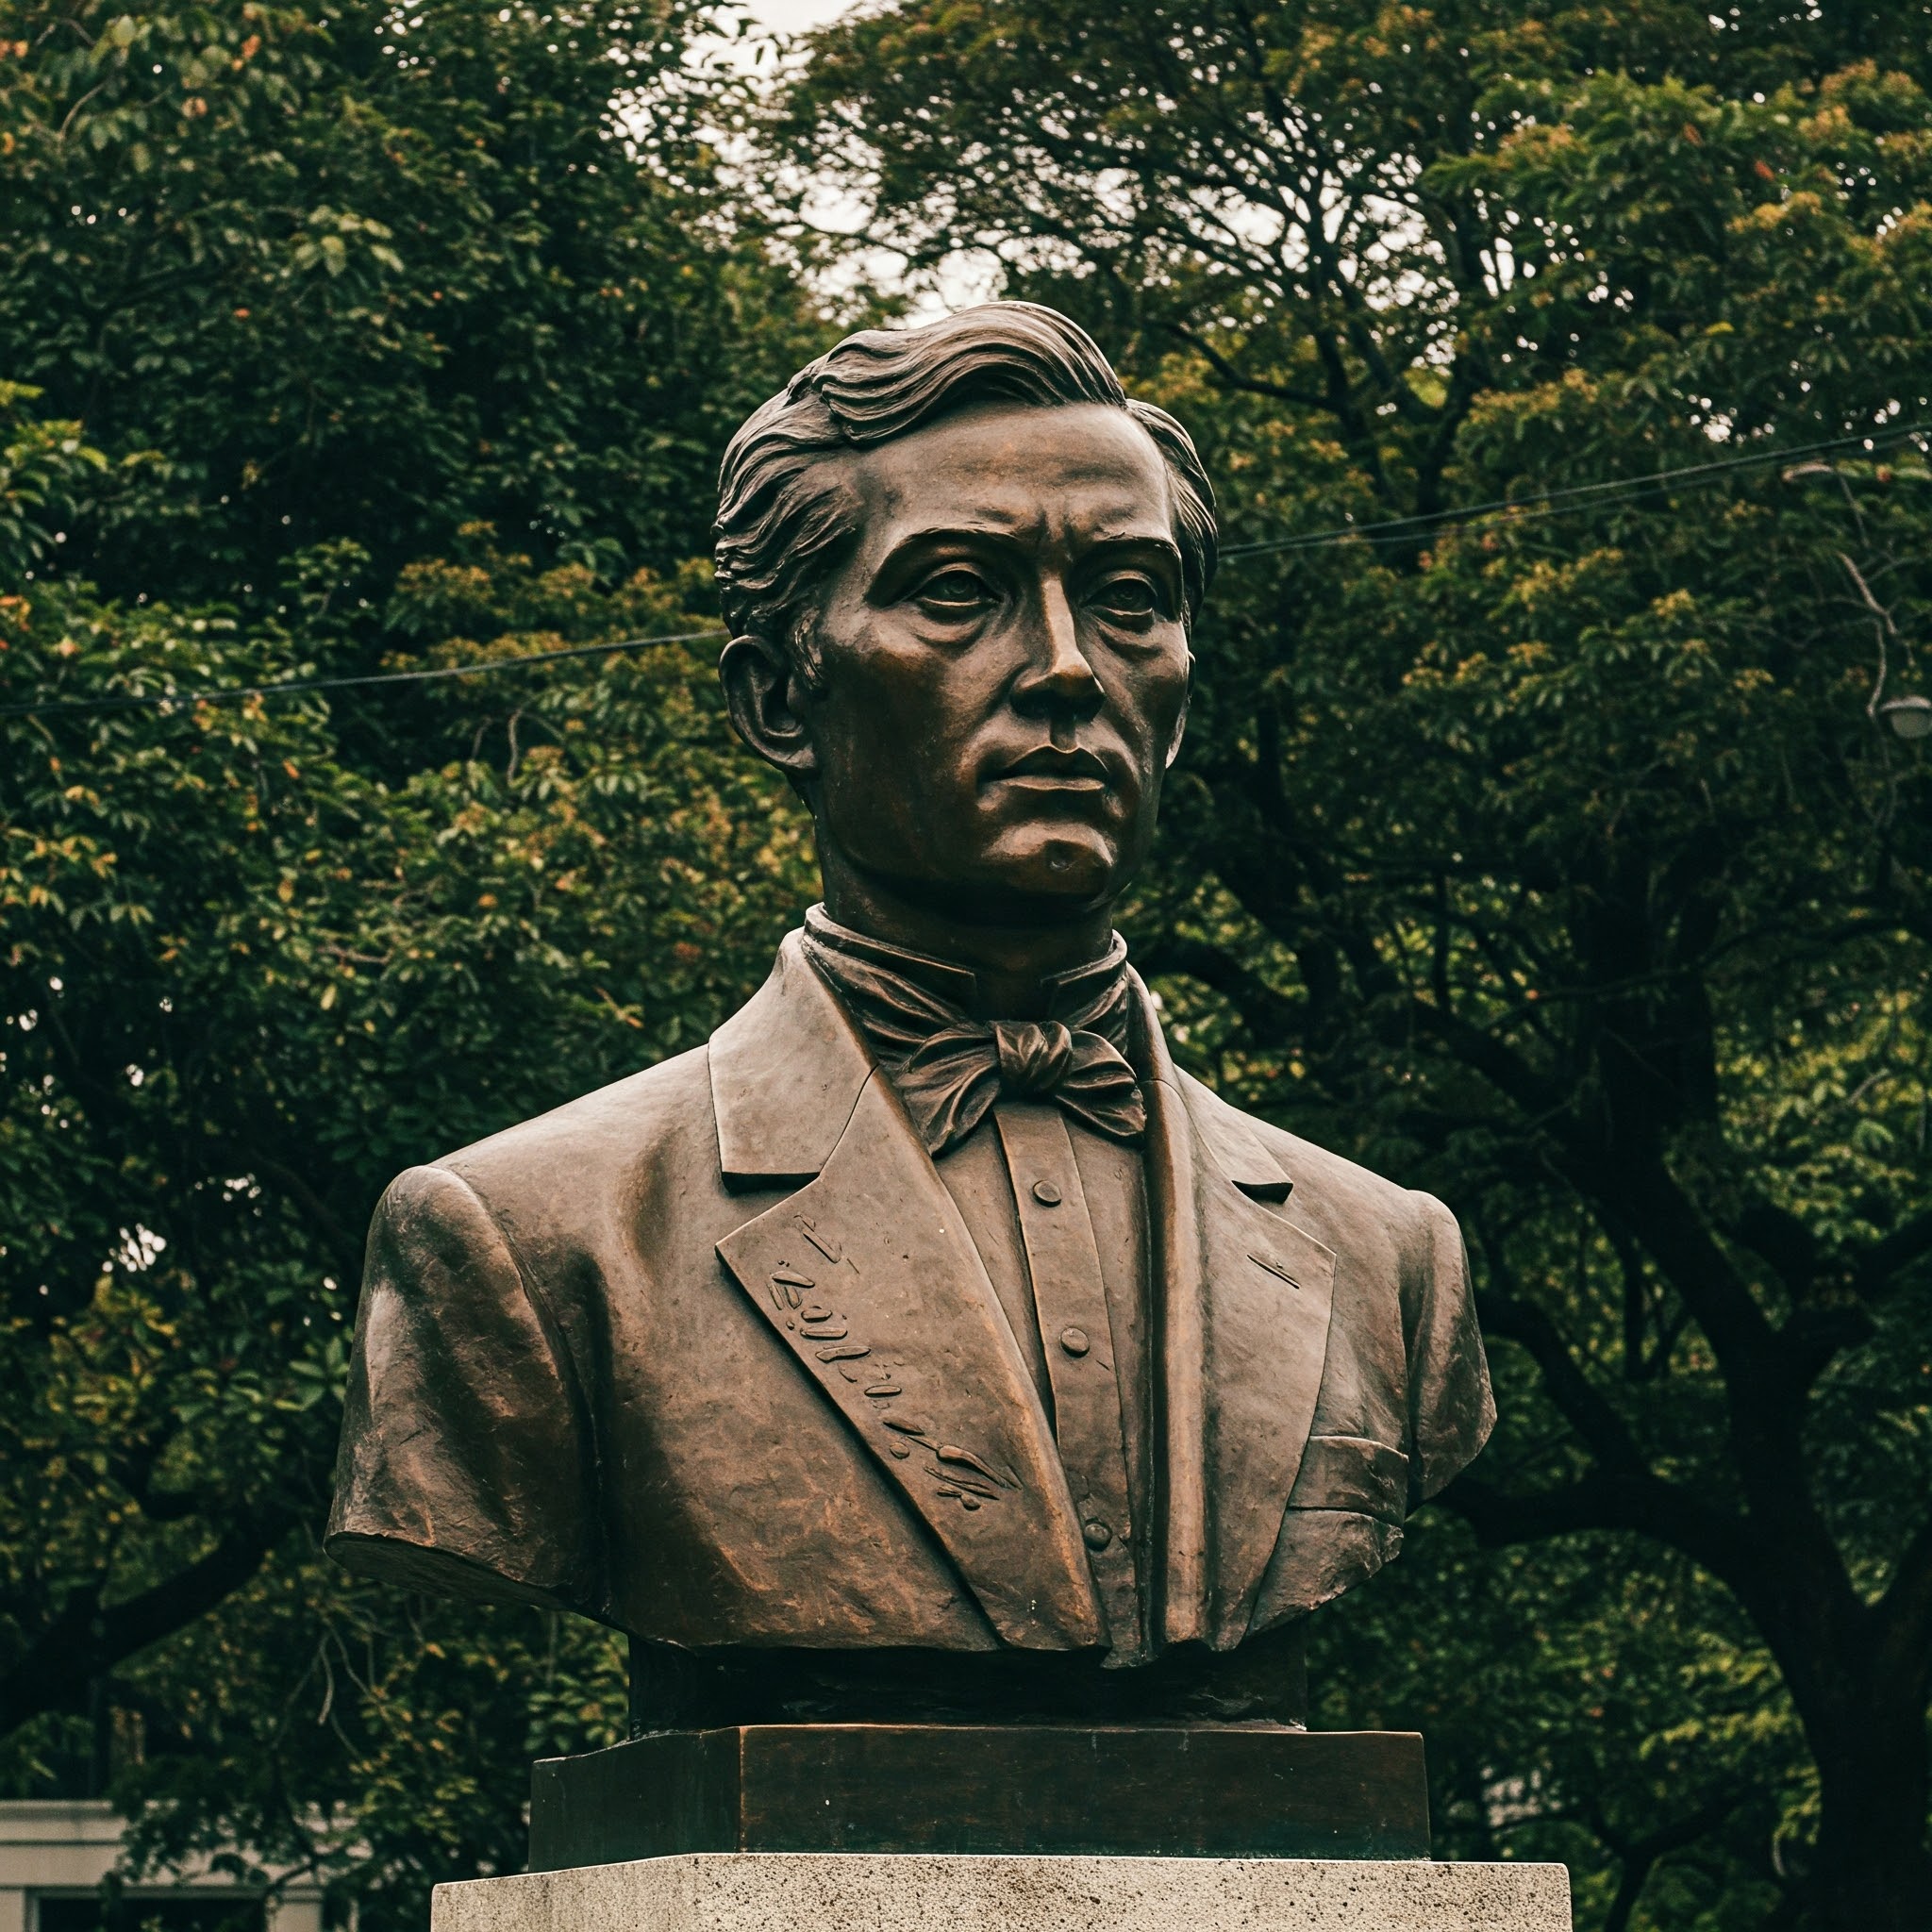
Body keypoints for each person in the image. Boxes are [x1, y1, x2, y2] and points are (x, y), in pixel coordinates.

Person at [325, 302, 1492, 1727]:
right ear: (775, 699)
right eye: (957, 590)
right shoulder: (533, 1239)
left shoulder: (1389, 1256)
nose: (1068, 668)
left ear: (1179, 702)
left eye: (1128, 598)